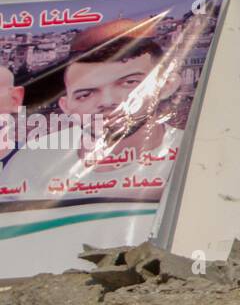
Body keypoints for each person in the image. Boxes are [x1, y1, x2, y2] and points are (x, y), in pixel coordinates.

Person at [0, 19, 184, 203]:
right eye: (85, 94)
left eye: (129, 83)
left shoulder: (190, 152)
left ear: (166, 85)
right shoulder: (32, 161)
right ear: (66, 106)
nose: (107, 102)